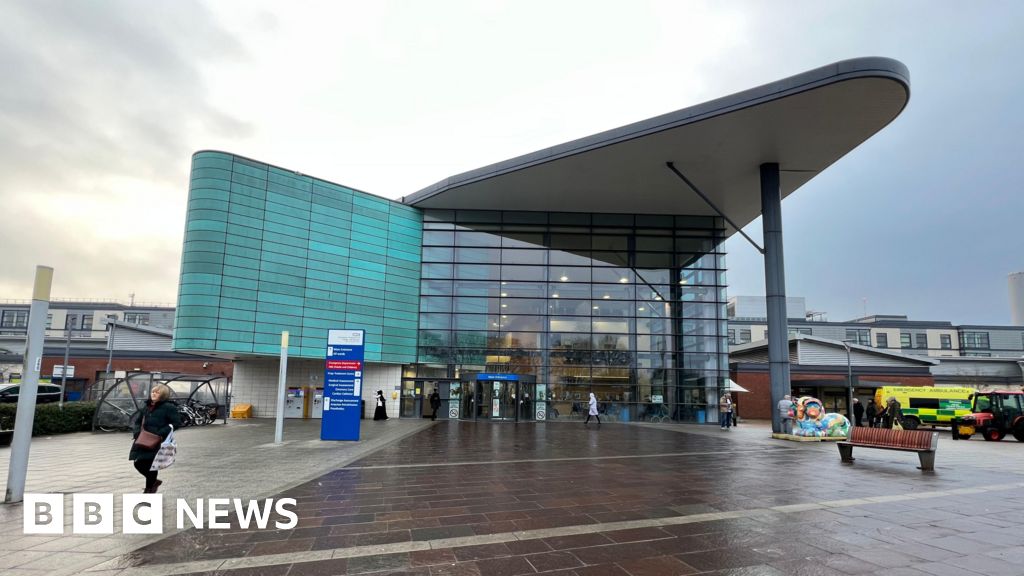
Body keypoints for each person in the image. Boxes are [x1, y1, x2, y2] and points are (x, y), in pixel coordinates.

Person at [129, 384, 181, 494]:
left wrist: (161, 433)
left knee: (150, 465)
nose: (153, 394)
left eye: (157, 392)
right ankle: (154, 483)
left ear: (163, 395)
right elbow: (138, 421)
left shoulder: (168, 407)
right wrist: (137, 433)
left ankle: (149, 489)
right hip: (143, 439)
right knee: (138, 463)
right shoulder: (146, 406)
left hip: (157, 441)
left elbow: (176, 423)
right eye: (153, 392)